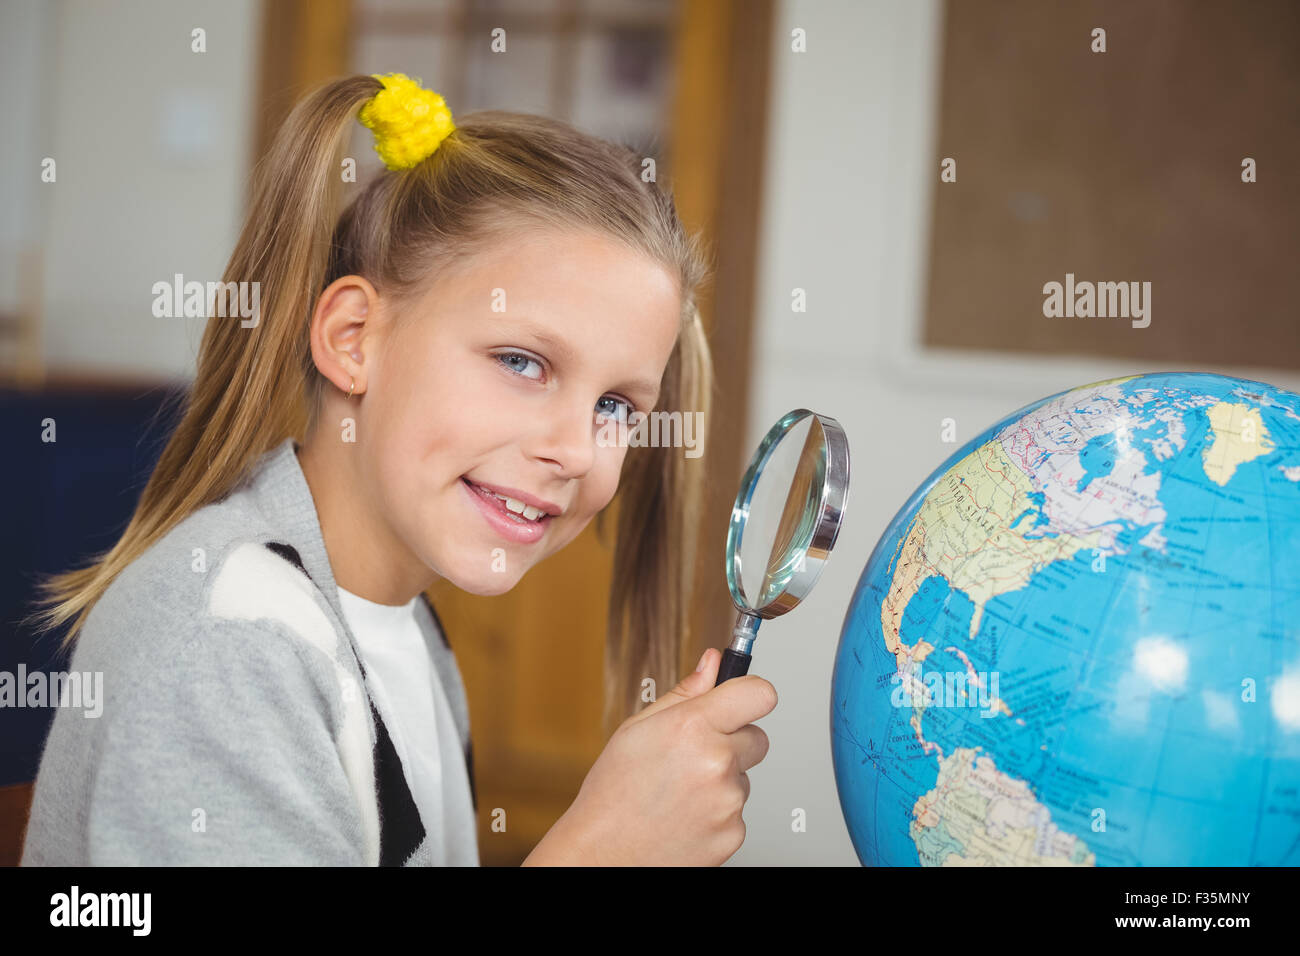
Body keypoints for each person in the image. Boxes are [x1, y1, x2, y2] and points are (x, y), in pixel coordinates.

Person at [19, 73, 775, 866]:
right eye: (522, 361)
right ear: (354, 340)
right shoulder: (230, 645)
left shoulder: (405, 628)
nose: (579, 451)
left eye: (616, 407)